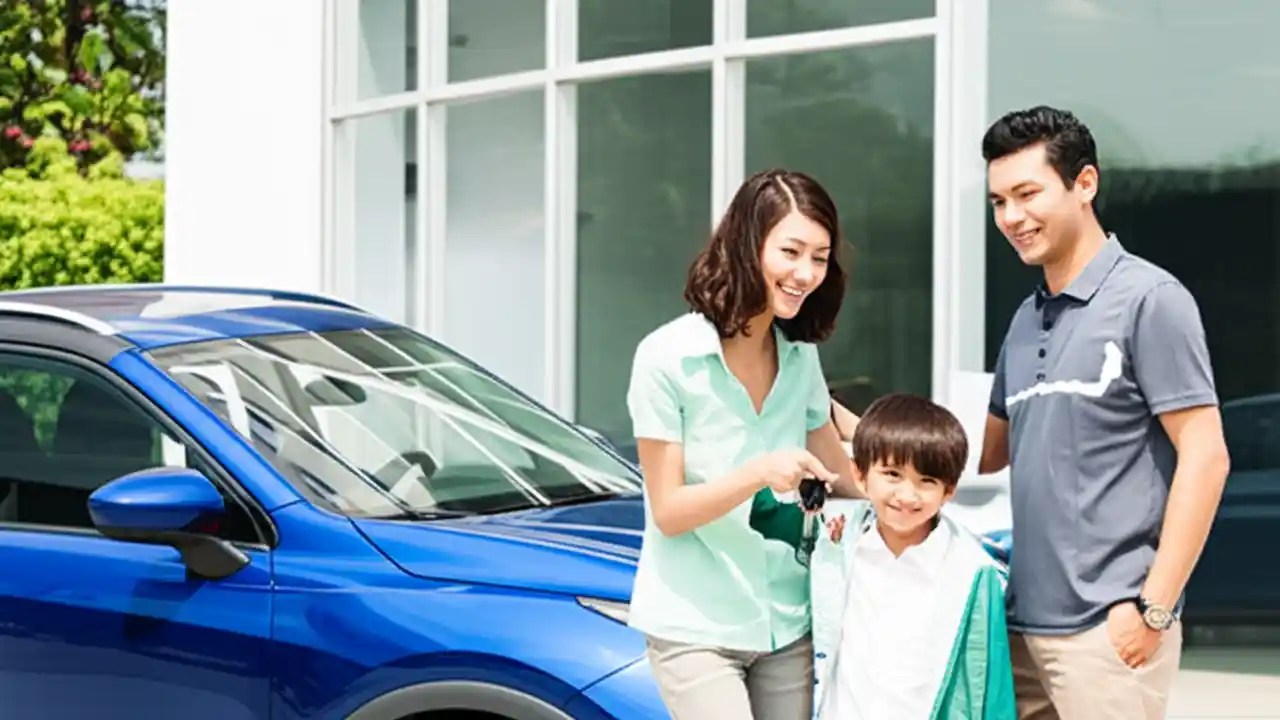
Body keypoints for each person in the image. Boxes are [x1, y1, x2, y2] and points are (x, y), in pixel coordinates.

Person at [978, 106, 1231, 719]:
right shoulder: (1025, 319)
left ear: (1085, 183)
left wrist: (1154, 609)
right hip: (1020, 631)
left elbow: (1206, 456)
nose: (1011, 217)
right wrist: (833, 417)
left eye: (1027, 194)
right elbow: (984, 454)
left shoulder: (1150, 299)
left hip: (1109, 632)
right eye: (998, 202)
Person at [625, 168, 858, 720]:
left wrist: (922, 488)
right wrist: (759, 473)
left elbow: (842, 474)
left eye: (820, 258)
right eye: (791, 252)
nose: (806, 273)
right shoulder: (666, 358)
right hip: (695, 626)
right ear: (748, 245)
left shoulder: (800, 357)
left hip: (788, 620)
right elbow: (668, 511)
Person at [808, 393, 1016, 719]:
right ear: (860, 475)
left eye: (927, 481)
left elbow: (991, 681)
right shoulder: (836, 548)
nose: (907, 495)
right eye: (892, 474)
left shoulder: (971, 572)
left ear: (948, 491)